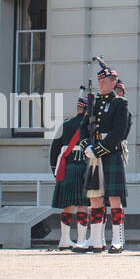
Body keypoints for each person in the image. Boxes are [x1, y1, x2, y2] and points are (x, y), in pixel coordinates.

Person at [78, 60, 130, 253]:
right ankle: (96, 240)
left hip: (110, 152)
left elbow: (119, 132)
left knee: (115, 197)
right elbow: (83, 128)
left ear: (112, 82)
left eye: (104, 81)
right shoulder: (95, 102)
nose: (100, 85)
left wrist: (99, 149)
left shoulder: (119, 103)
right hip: (93, 153)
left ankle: (117, 240)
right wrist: (85, 145)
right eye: (99, 82)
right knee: (95, 198)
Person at [49, 93, 90, 250]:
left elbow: (54, 150)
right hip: (83, 167)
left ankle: (64, 239)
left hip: (67, 168)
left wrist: (55, 171)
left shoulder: (65, 125)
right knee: (82, 206)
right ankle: (81, 240)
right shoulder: (89, 126)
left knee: (68, 205)